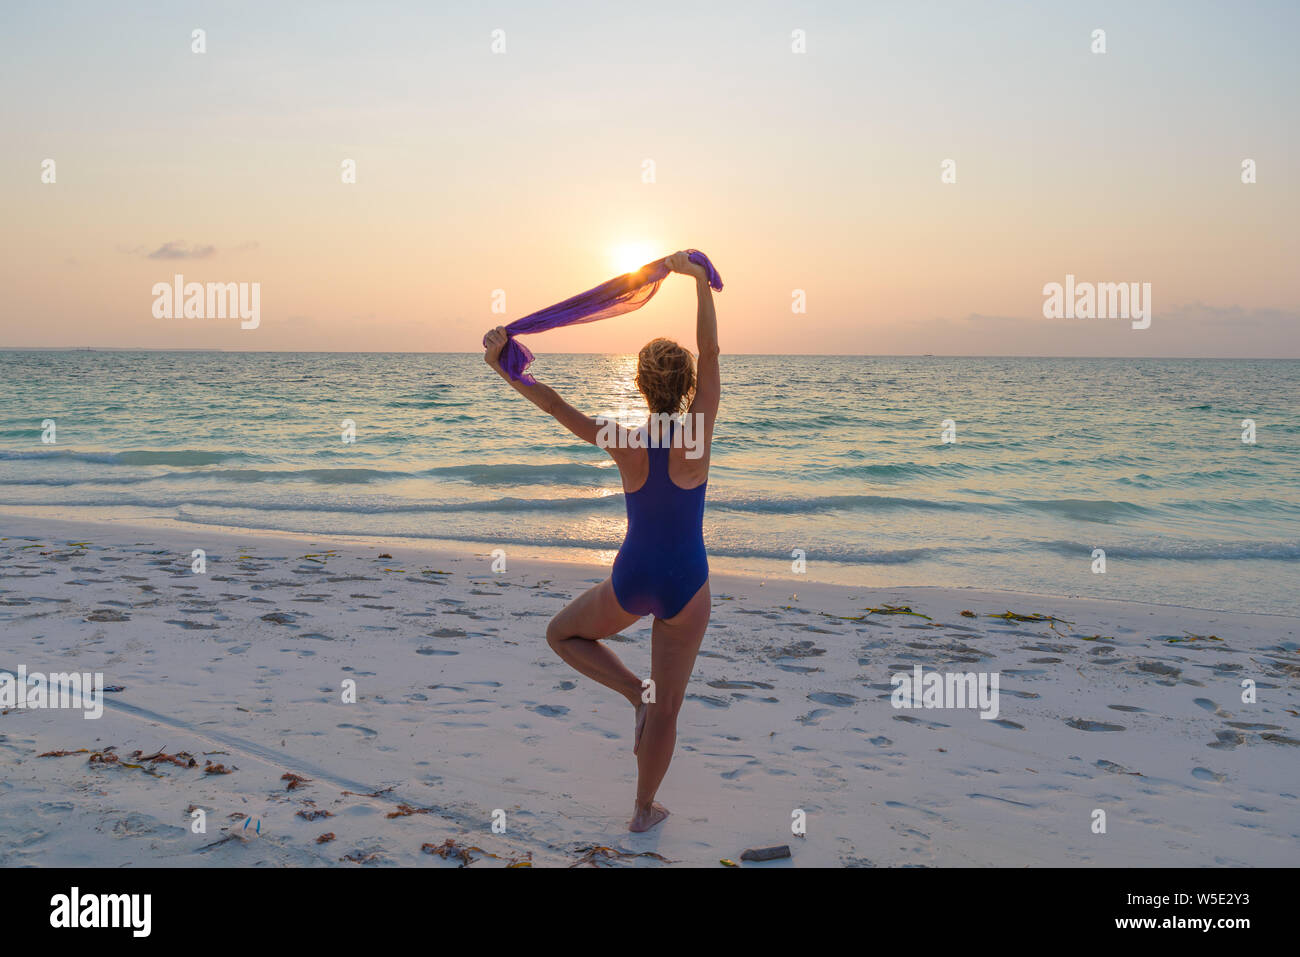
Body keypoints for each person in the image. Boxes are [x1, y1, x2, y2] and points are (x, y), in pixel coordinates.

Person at [482, 250, 719, 832]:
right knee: (669, 710)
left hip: (632, 577)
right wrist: (698, 283)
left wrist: (502, 367)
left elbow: (556, 404)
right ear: (689, 383)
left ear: (637, 384)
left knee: (562, 634)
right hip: (688, 584)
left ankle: (633, 691)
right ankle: (643, 809)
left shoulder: (621, 439)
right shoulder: (700, 431)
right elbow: (711, 352)